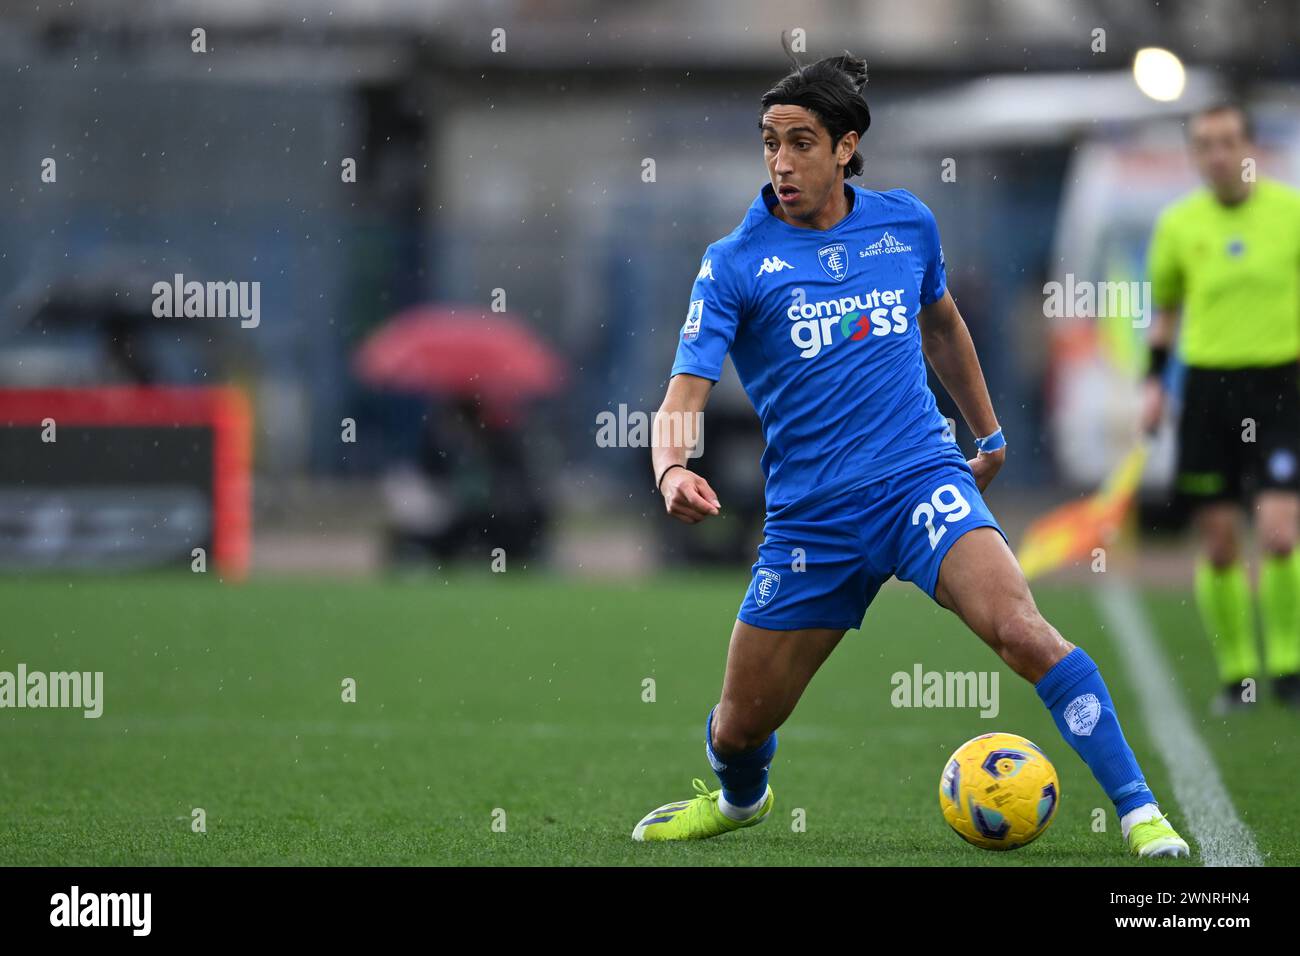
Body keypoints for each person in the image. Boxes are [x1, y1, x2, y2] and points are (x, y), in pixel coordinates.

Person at [634, 51, 1188, 858]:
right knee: (738, 726)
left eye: (800, 143)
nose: (781, 163)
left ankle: (1142, 816)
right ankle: (741, 798)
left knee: (1024, 631)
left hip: (919, 482)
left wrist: (987, 432)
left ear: (846, 146)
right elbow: (683, 395)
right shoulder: (735, 264)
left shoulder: (905, 225)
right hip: (813, 521)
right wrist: (671, 468)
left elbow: (943, 325)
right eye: (769, 144)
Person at [1142, 103, 1300, 712]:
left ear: (1249, 146)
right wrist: (1154, 387)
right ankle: (1239, 676)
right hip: (1208, 391)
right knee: (1218, 543)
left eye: (1227, 141)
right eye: (1204, 144)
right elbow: (1166, 315)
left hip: (1280, 388)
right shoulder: (1179, 225)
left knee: (1281, 533)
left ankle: (1286, 667)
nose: (1216, 153)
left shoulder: (1288, 214)